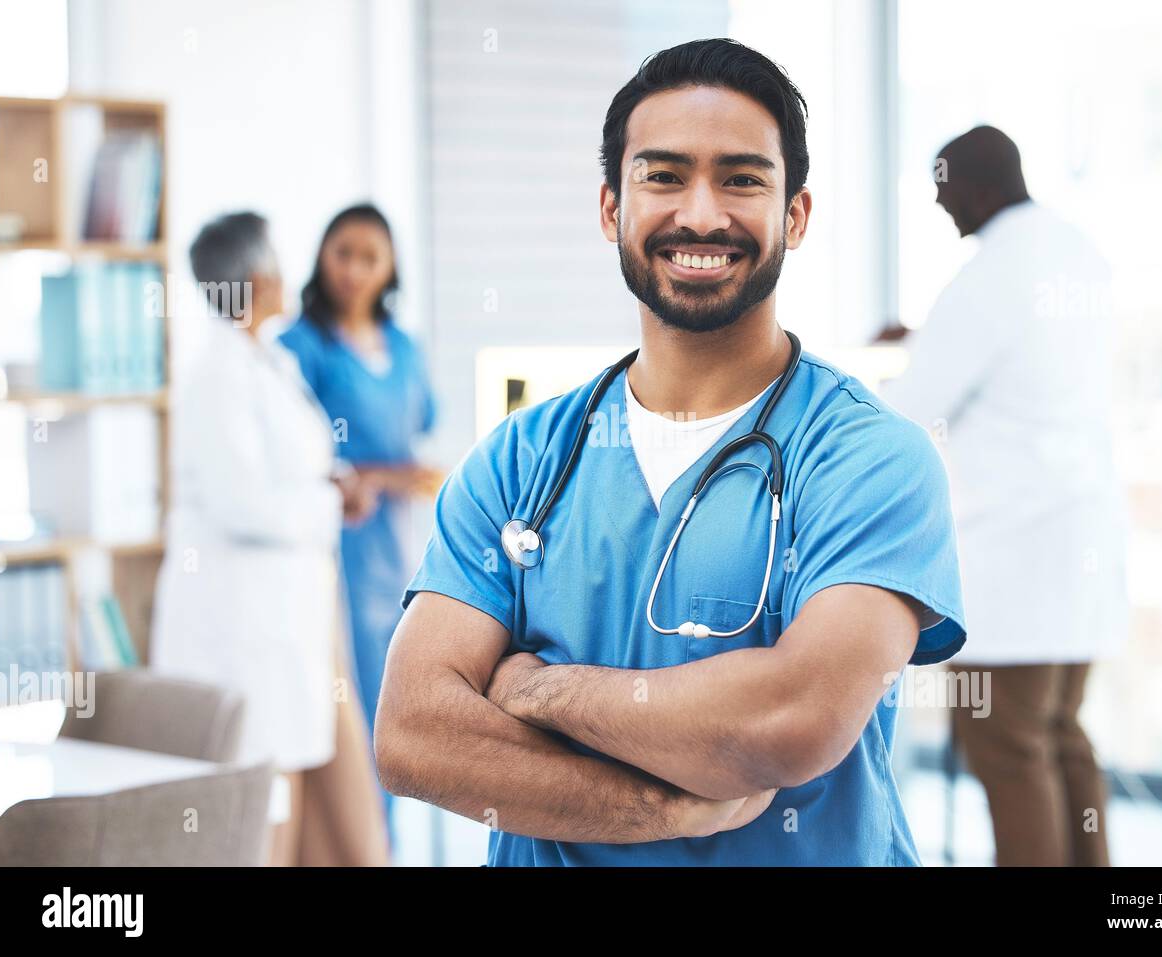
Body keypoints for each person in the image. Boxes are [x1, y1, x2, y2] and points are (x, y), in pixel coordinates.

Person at [375, 38, 967, 866]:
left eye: (742, 178)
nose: (699, 214)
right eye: (663, 175)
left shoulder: (870, 459)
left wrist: (533, 686)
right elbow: (413, 733)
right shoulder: (521, 461)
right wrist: (665, 807)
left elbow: (792, 720)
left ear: (794, 214)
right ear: (612, 208)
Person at [878, 126, 1128, 866]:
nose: (937, 199)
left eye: (943, 184)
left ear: (981, 185)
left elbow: (914, 407)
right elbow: (1034, 354)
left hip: (1018, 555)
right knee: (1061, 736)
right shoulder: (1075, 250)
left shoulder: (987, 275)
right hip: (1081, 547)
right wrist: (928, 333)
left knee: (1010, 749)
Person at [150, 212, 389, 866]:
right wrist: (328, 502)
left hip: (290, 621)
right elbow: (242, 504)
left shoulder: (267, 360)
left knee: (308, 787)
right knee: (262, 812)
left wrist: (333, 481)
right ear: (257, 277)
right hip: (242, 631)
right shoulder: (217, 375)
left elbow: (293, 465)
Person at [278, 204, 445, 845]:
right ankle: (363, 847)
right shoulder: (299, 348)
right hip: (334, 548)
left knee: (403, 704)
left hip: (400, 547)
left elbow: (421, 442)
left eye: (369, 258)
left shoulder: (404, 348)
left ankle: (385, 844)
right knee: (356, 705)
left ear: (390, 268)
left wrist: (394, 477)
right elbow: (307, 459)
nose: (353, 270)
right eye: (341, 253)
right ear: (322, 257)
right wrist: (378, 476)